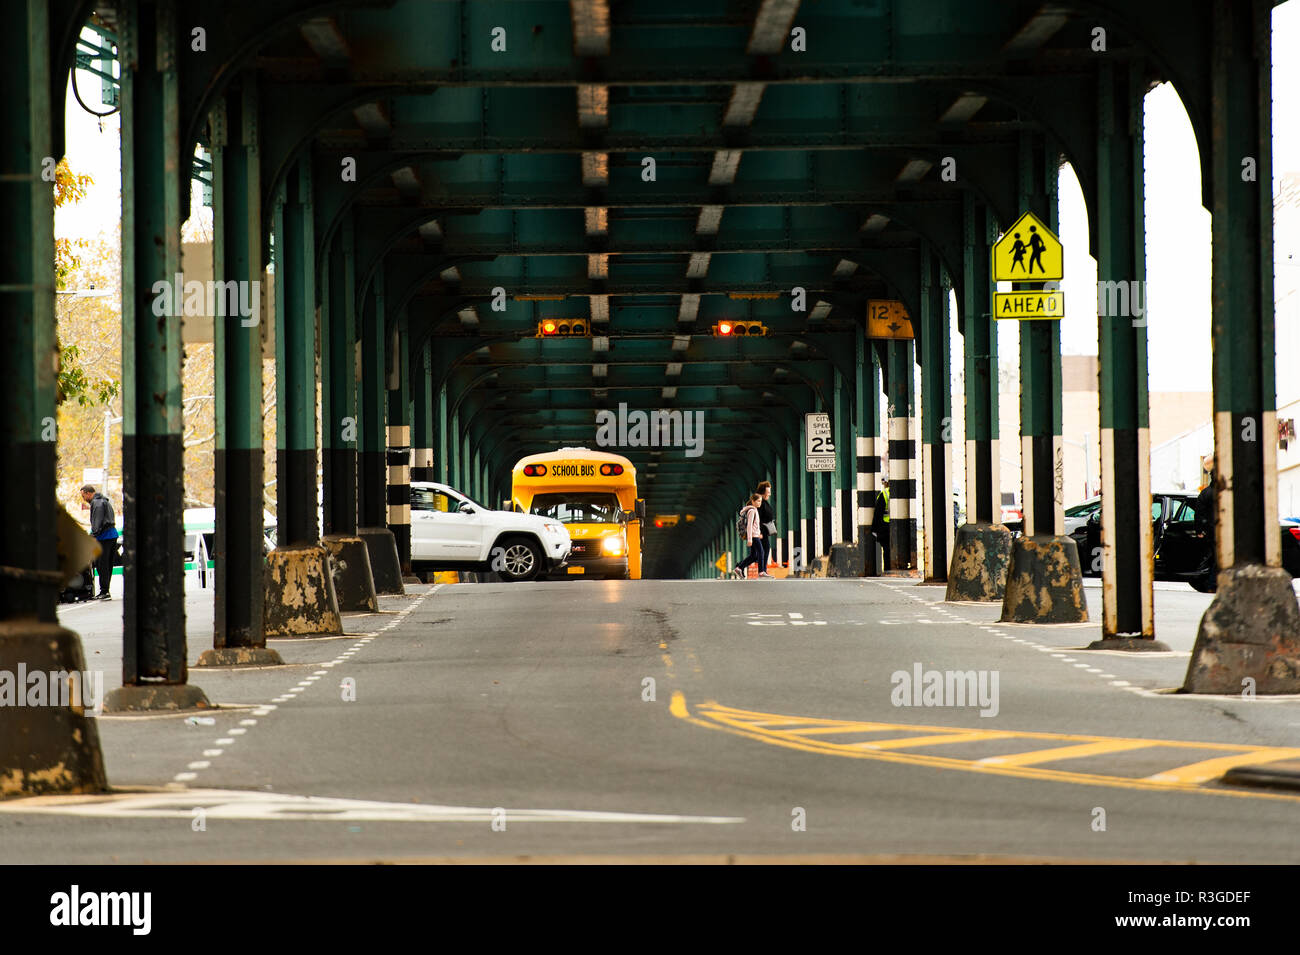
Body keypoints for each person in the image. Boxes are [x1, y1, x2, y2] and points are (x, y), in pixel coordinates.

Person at [81, 484, 119, 599]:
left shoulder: (97, 503)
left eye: (83, 496)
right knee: (107, 565)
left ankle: (104, 592)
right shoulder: (104, 501)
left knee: (102, 565)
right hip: (112, 535)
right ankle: (105, 590)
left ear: (88, 493)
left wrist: (91, 536)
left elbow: (97, 524)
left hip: (104, 537)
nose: (83, 499)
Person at [733, 493, 764, 579]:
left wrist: (759, 534)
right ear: (753, 501)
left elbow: (755, 525)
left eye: (760, 501)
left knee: (754, 556)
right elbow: (749, 526)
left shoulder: (754, 510)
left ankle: (739, 568)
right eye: (758, 501)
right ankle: (761, 572)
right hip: (753, 536)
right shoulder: (752, 511)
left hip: (755, 535)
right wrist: (750, 539)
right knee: (761, 552)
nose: (759, 503)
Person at [756, 480, 776, 578]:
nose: (769, 494)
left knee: (764, 549)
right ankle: (762, 571)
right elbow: (757, 517)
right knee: (764, 549)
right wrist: (759, 531)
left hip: (764, 530)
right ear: (763, 492)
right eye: (768, 492)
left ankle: (763, 570)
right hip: (761, 531)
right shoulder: (760, 502)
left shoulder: (764, 502)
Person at [871, 479, 890, 572]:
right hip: (897, 528)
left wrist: (874, 529)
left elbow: (877, 513)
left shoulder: (884, 494)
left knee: (886, 550)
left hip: (885, 527)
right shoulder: (901, 492)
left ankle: (887, 569)